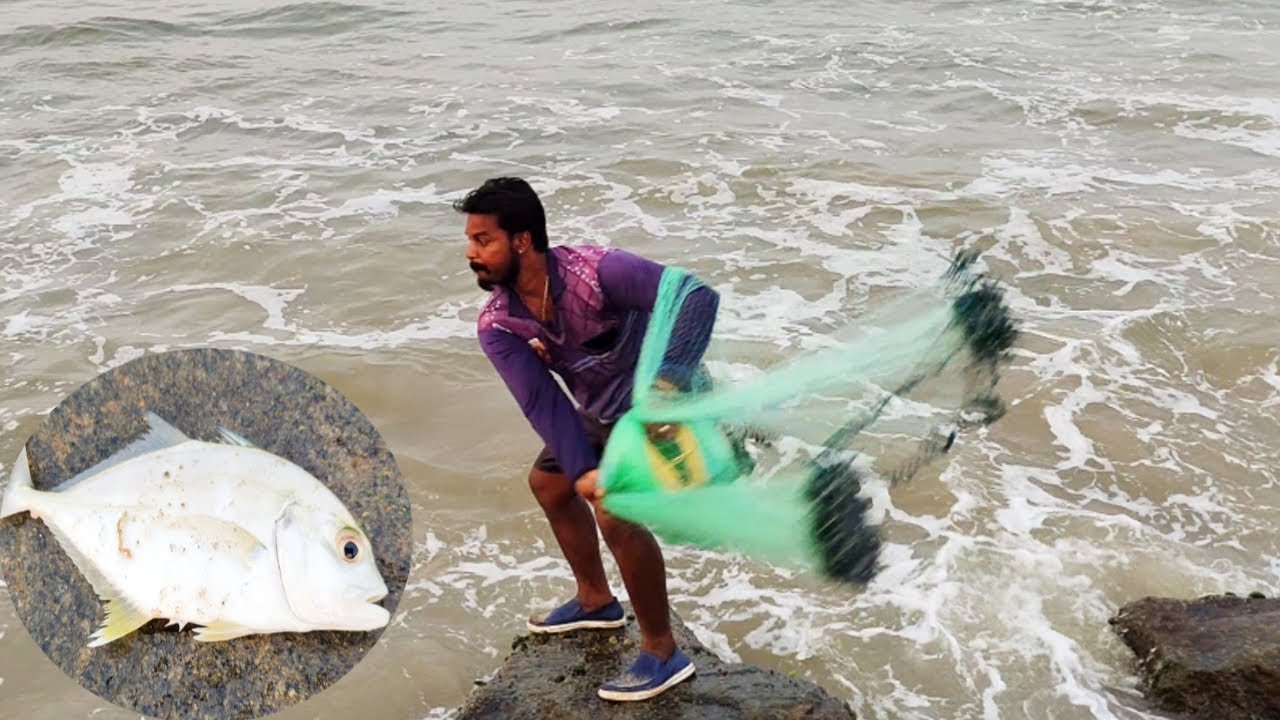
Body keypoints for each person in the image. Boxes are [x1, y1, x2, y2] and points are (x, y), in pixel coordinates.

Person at [455, 176, 719, 702]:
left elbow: (694, 297)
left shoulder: (598, 274)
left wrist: (666, 387)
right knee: (550, 484)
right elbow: (544, 403)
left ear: (522, 241)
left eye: (483, 240)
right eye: (470, 241)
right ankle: (596, 601)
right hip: (600, 414)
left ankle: (663, 652)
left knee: (614, 510)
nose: (471, 254)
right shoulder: (500, 323)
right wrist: (581, 471)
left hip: (669, 409)